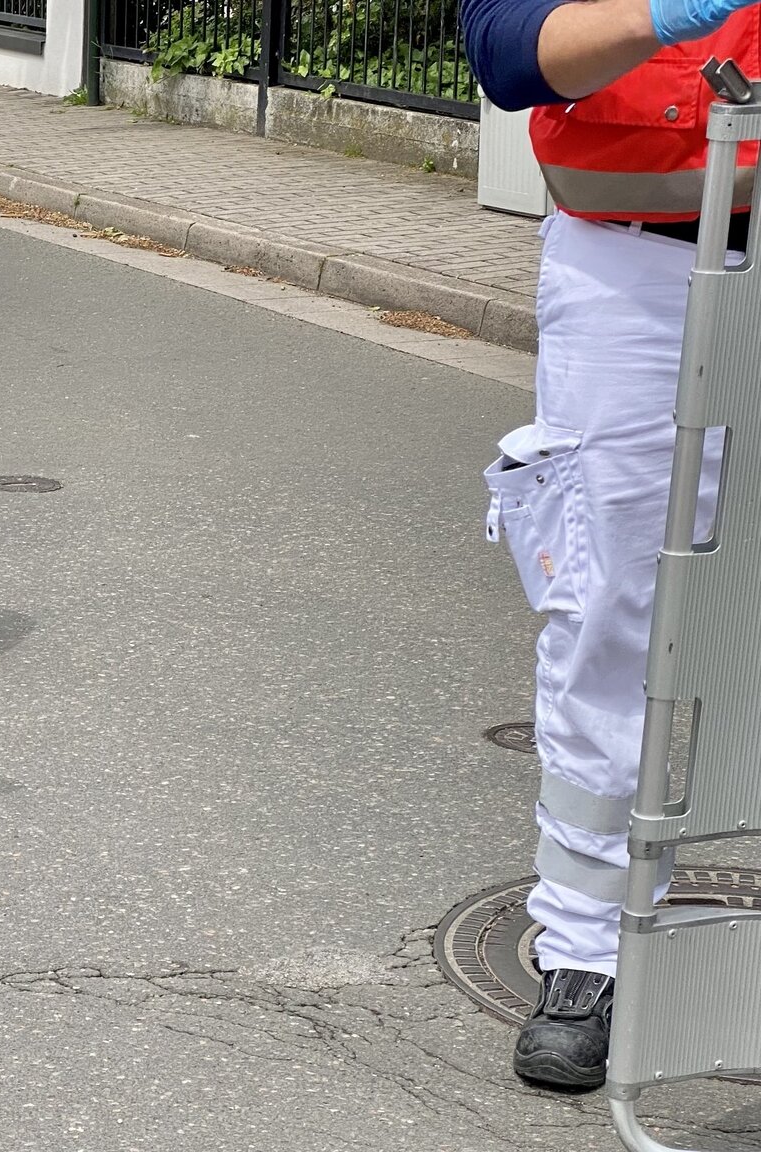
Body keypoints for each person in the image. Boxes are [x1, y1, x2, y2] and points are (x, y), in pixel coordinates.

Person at [460, 0, 757, 1091]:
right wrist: (658, 13)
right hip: (635, 281)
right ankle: (584, 951)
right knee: (609, 618)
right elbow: (504, 51)